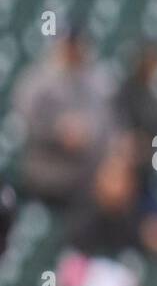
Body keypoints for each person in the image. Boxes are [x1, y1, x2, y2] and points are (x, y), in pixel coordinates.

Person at [11, 29, 118, 208]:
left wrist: (87, 132)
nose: (73, 51)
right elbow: (24, 118)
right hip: (42, 175)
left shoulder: (99, 81)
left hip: (83, 180)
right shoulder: (39, 79)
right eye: (68, 45)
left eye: (76, 45)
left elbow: (110, 124)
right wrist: (57, 130)